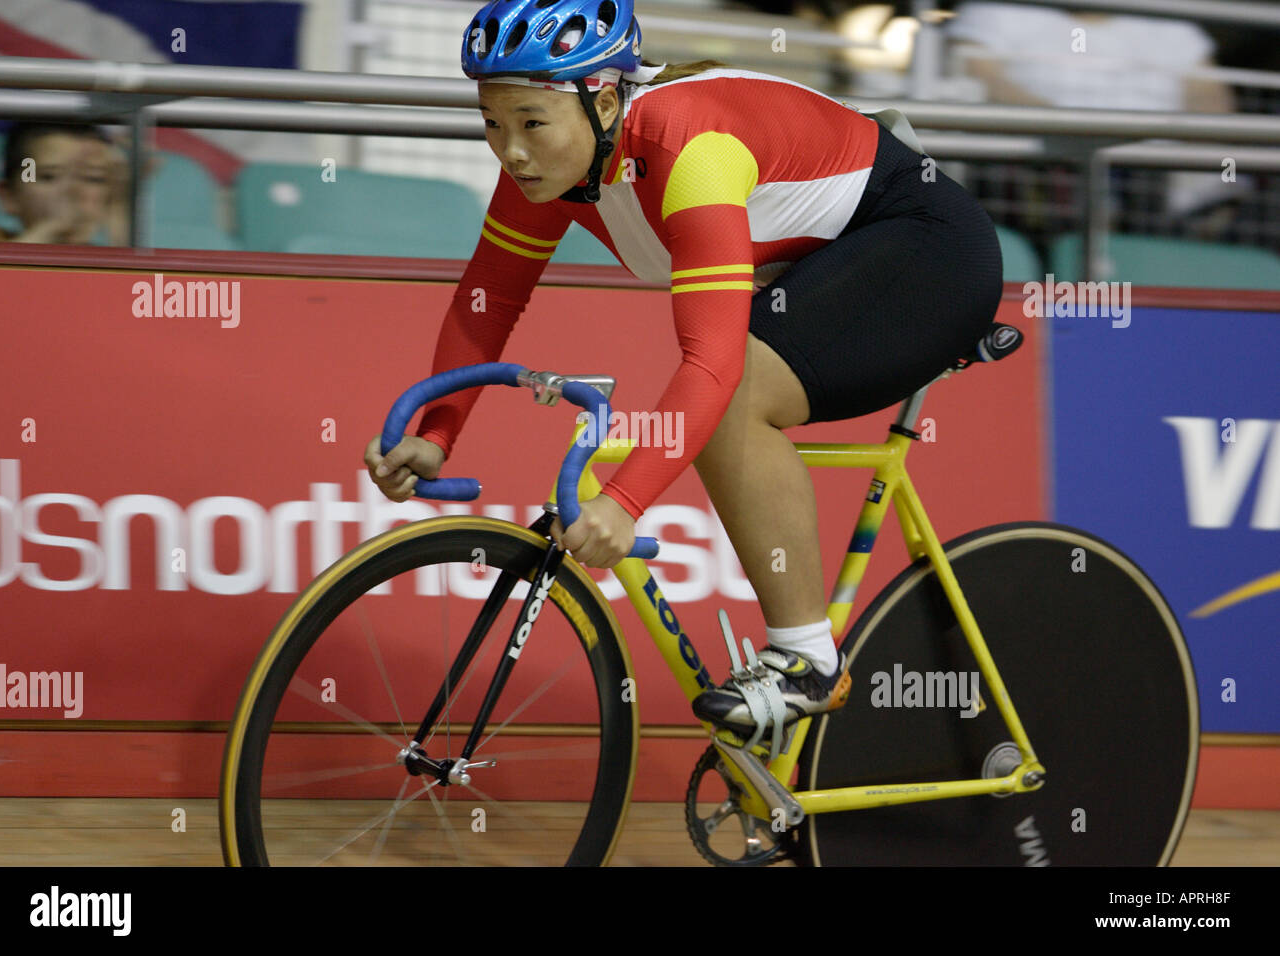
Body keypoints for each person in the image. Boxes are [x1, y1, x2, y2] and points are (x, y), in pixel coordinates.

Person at [364, 0, 1003, 737]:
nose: (511, 151)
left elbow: (711, 366)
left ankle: (807, 660)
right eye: (492, 122)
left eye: (532, 122)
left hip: (927, 252)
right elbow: (487, 301)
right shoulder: (550, 168)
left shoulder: (692, 152)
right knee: (728, 381)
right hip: (828, 262)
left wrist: (626, 503)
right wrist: (436, 435)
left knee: (734, 394)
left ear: (603, 101)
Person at [0, 122, 129, 244]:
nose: (73, 191)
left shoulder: (106, 259)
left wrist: (120, 223)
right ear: (8, 196)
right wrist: (51, 230)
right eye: (49, 176)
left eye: (92, 177)